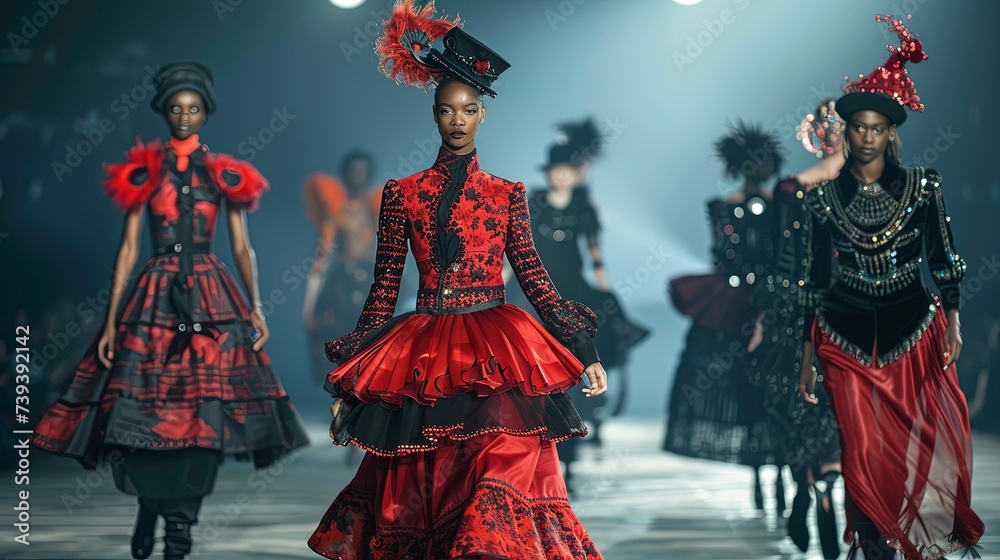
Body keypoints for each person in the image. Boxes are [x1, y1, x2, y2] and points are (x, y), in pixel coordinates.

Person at [307, 2, 606, 558]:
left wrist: (582, 348)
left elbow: (535, 277)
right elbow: (384, 285)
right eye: (448, 110)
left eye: (469, 109)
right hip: (423, 353)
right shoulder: (401, 194)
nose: (458, 120)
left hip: (499, 350)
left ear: (483, 114)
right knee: (427, 484)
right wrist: (351, 378)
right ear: (435, 115)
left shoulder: (508, 193)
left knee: (498, 469)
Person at [30, 62, 309, 560]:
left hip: (212, 297)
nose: (185, 116)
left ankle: (178, 531)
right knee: (143, 417)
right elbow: (128, 247)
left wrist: (257, 310)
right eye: (176, 107)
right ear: (164, 111)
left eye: (194, 107)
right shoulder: (143, 172)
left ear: (207, 111)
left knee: (204, 422)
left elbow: (243, 249)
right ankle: (152, 507)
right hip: (155, 297)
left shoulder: (228, 173)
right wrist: (112, 320)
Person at [796, 16, 983, 559]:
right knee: (858, 442)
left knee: (901, 444)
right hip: (840, 328)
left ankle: (894, 526)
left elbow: (943, 259)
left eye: (879, 127)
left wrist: (953, 321)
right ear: (846, 132)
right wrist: (805, 353)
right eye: (859, 127)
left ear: (892, 132)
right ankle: (874, 537)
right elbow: (814, 277)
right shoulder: (821, 200)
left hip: (911, 326)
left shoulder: (925, 187)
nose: (869, 136)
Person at [513, 119, 649, 488]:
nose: (561, 176)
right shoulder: (533, 201)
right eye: (556, 170)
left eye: (568, 171)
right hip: (535, 289)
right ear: (549, 172)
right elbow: (519, 250)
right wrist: (506, 287)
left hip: (572, 290)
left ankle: (575, 446)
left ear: (575, 174)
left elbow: (594, 252)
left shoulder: (584, 206)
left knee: (576, 364)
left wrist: (605, 292)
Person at [664, 121, 785, 513]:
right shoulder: (722, 207)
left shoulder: (784, 206)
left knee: (776, 388)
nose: (757, 168)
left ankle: (782, 471)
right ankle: (759, 474)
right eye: (750, 162)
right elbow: (724, 252)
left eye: (762, 161)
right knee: (743, 387)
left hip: (774, 300)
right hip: (735, 302)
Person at [751, 99, 844, 558]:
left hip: (806, 304)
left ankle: (810, 481)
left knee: (798, 397)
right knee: (820, 396)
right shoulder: (799, 190)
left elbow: (779, 257)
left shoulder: (792, 189)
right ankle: (821, 481)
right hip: (834, 306)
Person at [302, 151, 382, 384]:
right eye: (353, 171)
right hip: (342, 285)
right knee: (341, 340)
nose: (357, 176)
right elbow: (321, 259)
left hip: (374, 281)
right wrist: (308, 308)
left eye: (362, 171)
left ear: (369, 175)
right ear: (345, 175)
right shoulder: (335, 213)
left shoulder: (378, 208)